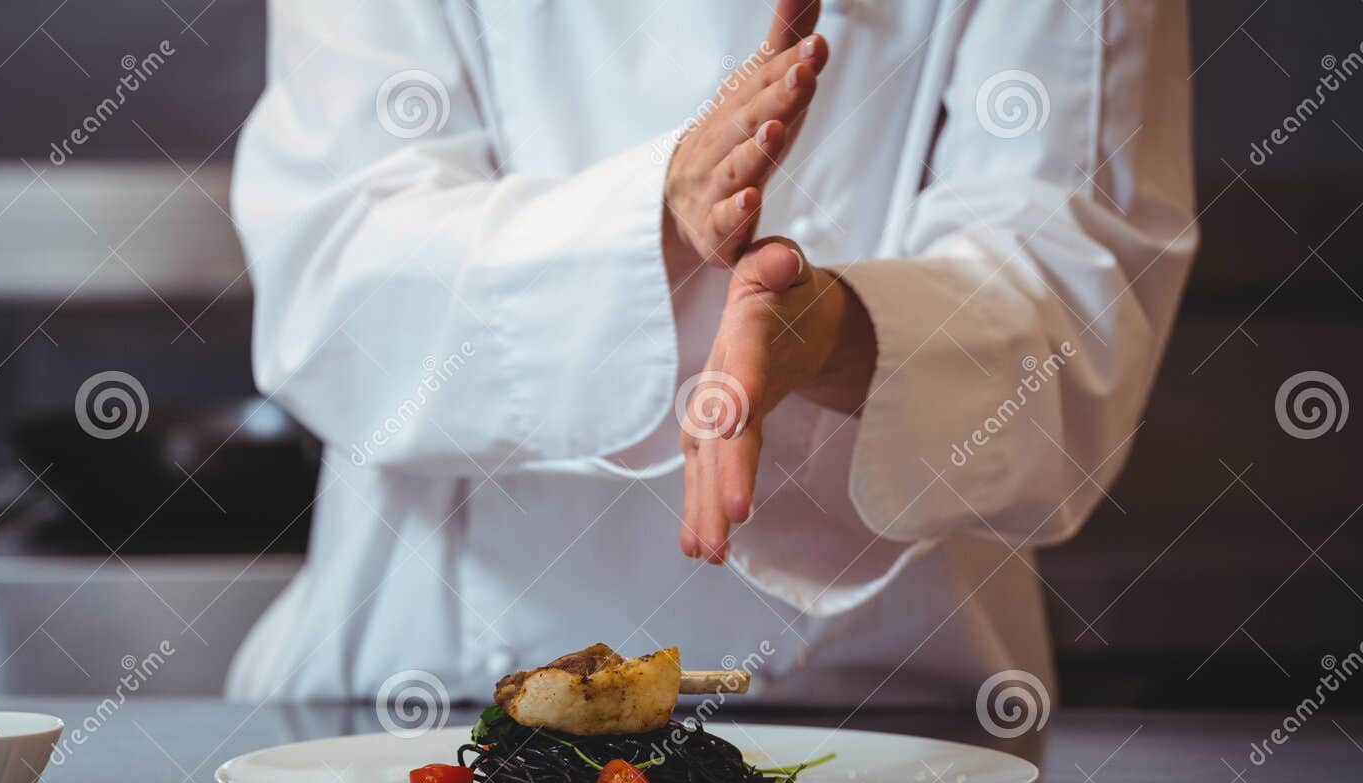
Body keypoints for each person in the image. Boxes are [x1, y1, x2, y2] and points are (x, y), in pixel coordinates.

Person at [226, 0, 1197, 708]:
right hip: (424, 698)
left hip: (883, 724)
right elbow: (329, 287)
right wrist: (653, 214)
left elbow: (1074, 329)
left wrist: (832, 330)